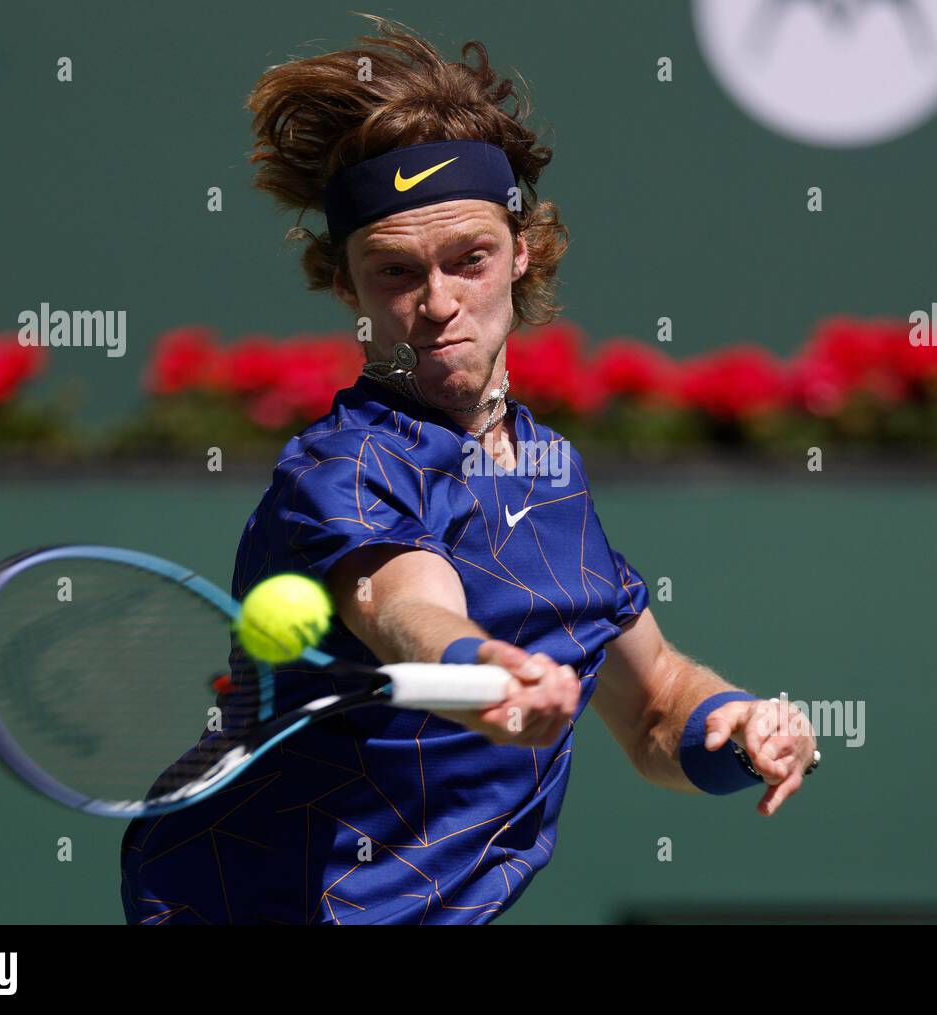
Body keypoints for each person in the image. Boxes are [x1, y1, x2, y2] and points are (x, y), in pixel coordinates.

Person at [121, 15, 818, 926]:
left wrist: (737, 730)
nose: (439, 302)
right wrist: (482, 674)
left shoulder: (549, 470)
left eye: (469, 259)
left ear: (521, 252)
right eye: (396, 271)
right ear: (346, 286)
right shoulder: (344, 467)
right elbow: (405, 608)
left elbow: (654, 710)